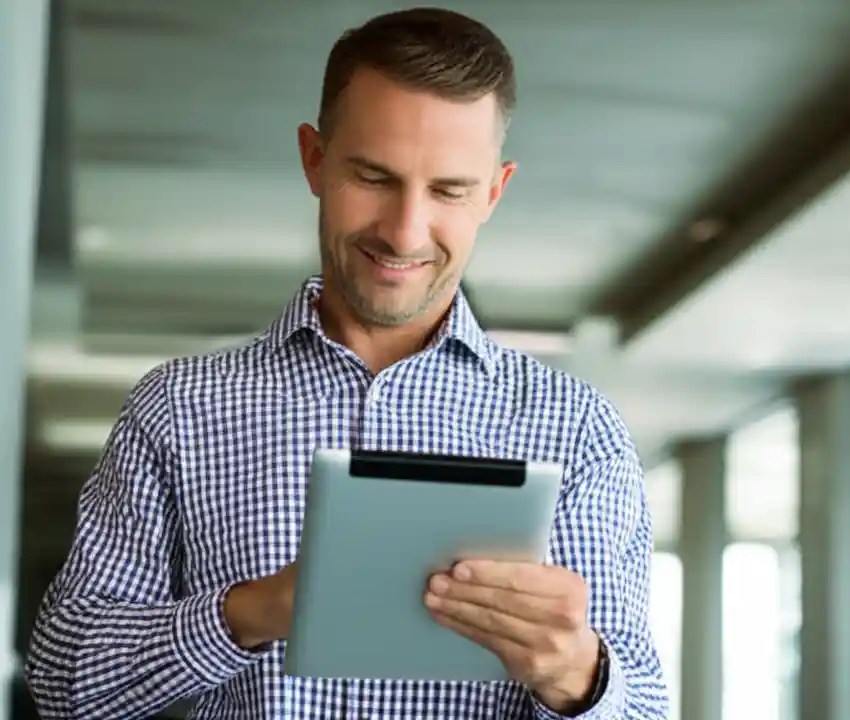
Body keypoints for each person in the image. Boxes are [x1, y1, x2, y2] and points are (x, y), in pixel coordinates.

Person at [24, 7, 668, 719]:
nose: (404, 231)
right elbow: (61, 682)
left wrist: (577, 675)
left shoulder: (576, 430)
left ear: (493, 192)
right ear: (315, 159)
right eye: (374, 176)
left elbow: (642, 707)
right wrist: (255, 611)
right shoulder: (180, 409)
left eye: (448, 190)